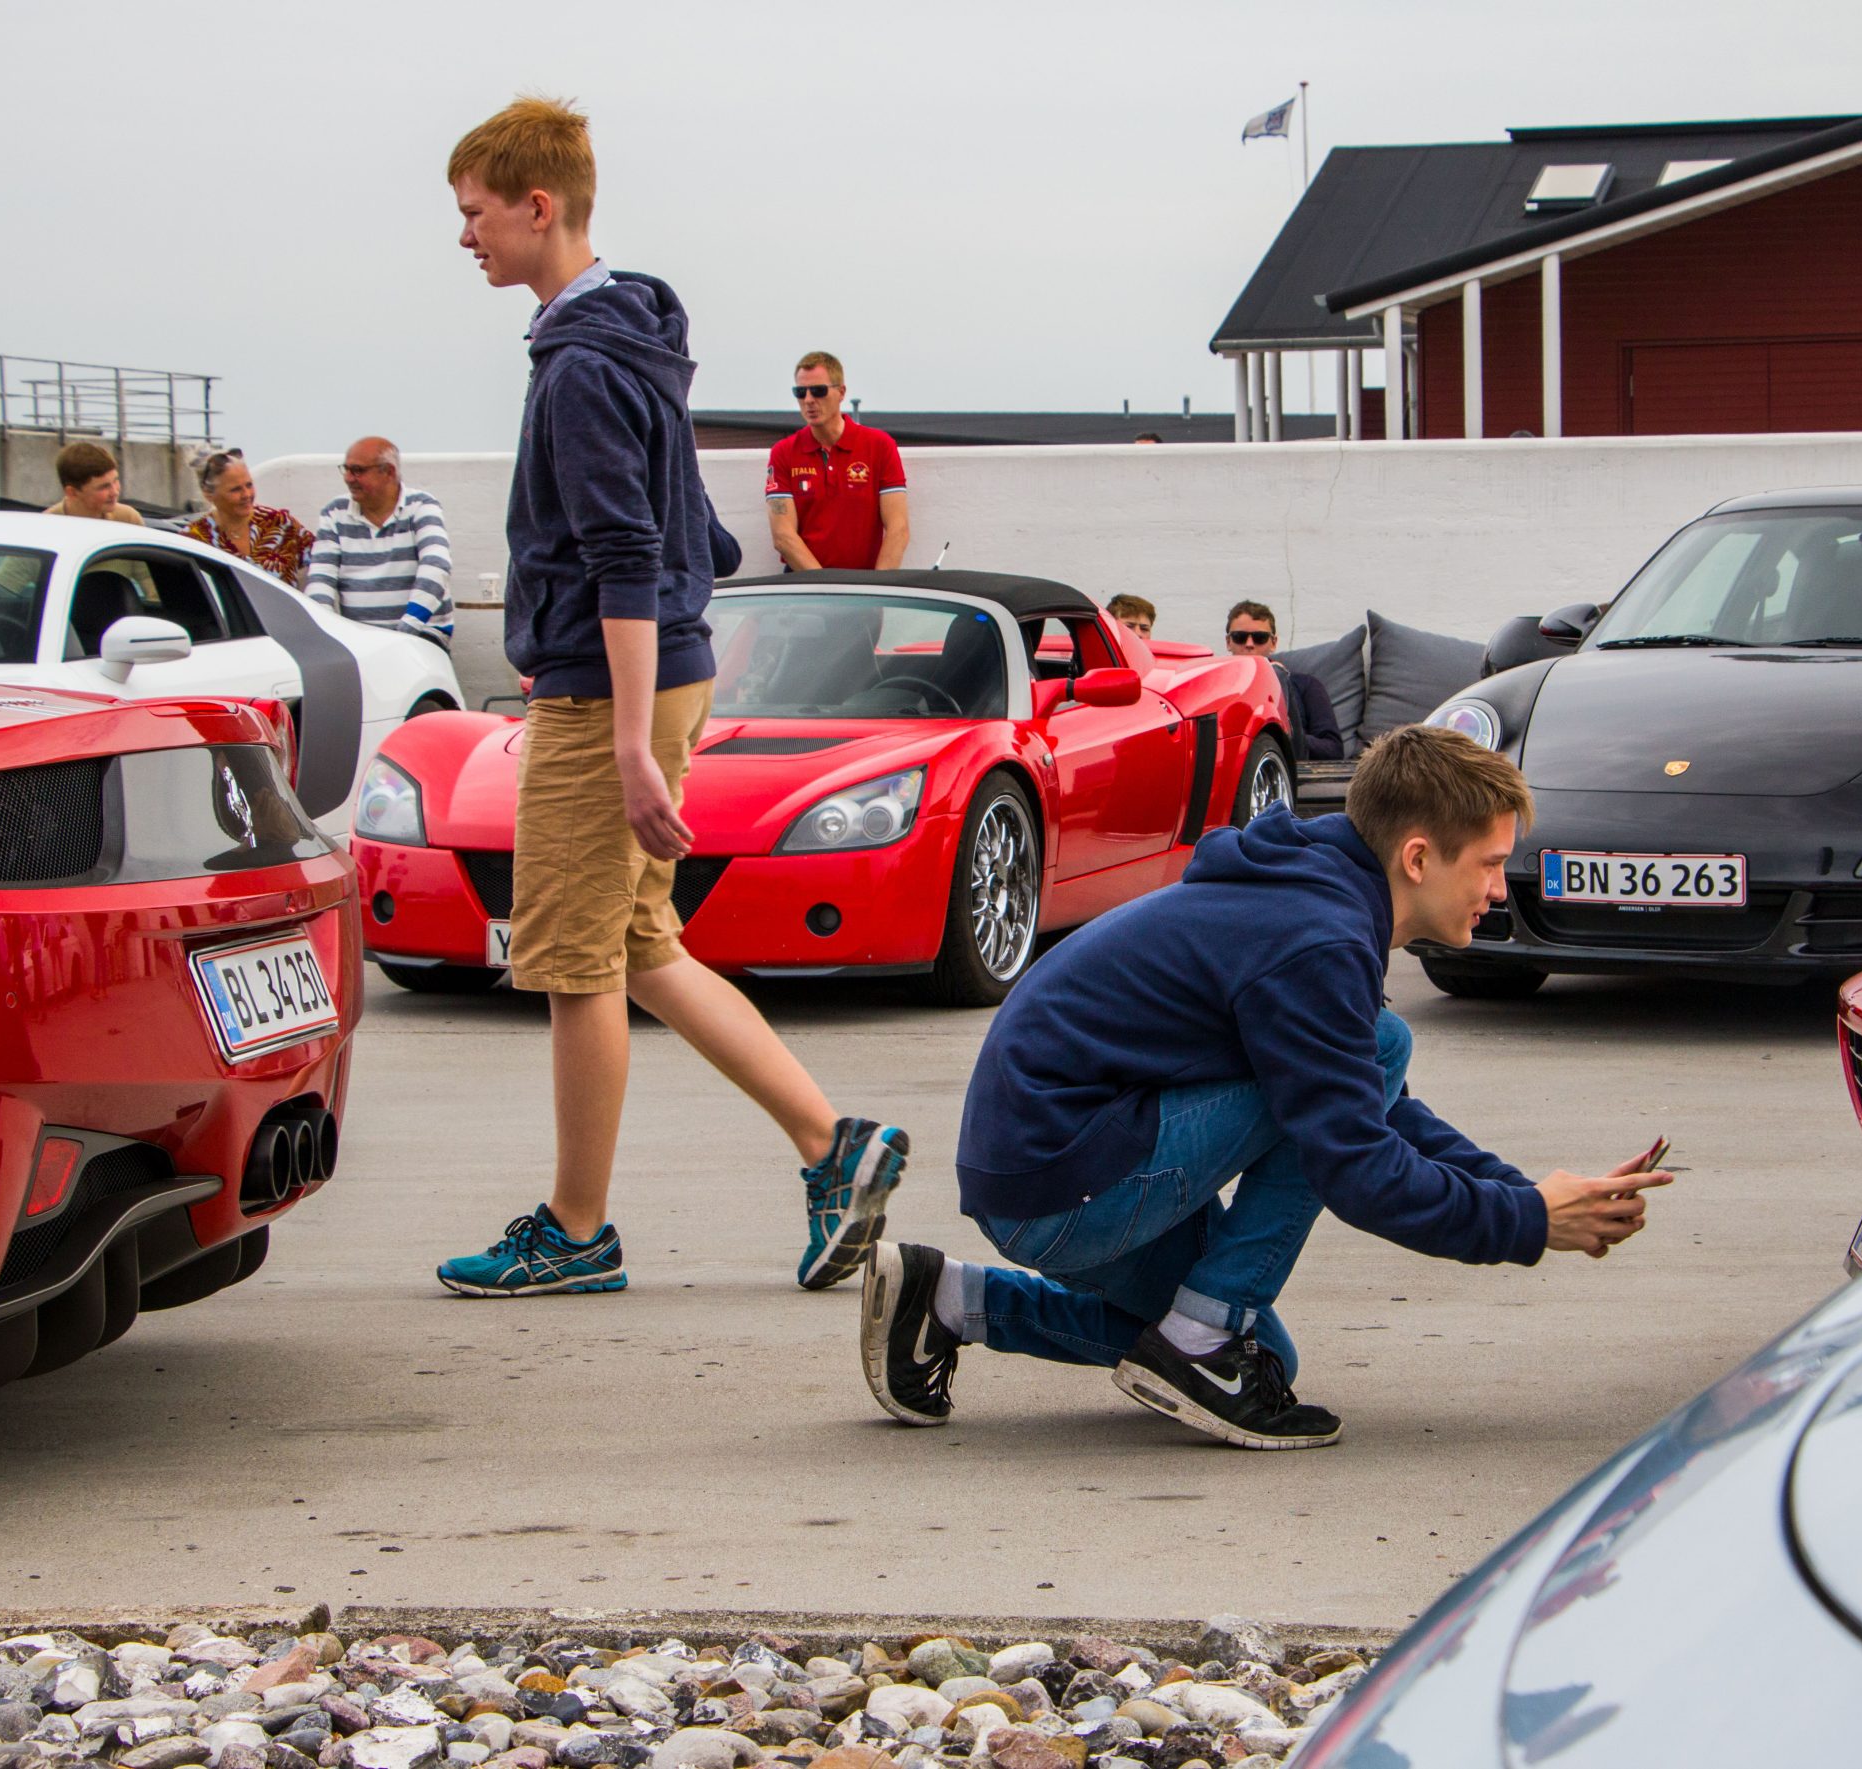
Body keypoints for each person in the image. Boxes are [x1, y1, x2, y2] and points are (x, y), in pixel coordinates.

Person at [861, 726, 1672, 1450]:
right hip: (1065, 1177)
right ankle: (1201, 1341)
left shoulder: (1315, 900)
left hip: (1051, 1166)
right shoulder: (1315, 938)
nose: (1499, 889)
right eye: (1490, 864)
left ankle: (949, 1301)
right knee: (1363, 1072)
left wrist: (1524, 1192)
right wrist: (1526, 1223)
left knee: (1264, 1355)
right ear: (1418, 857)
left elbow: (1376, 1105)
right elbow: (1357, 1162)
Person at [433, 93, 907, 1299]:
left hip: (611, 694)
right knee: (643, 944)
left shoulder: (584, 365)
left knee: (573, 961)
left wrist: (633, 742)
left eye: (476, 213)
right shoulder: (632, 341)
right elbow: (696, 534)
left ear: (540, 208)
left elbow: (628, 551)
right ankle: (831, 1144)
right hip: (657, 673)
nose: (465, 237)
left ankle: (576, 1229)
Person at [303, 438, 456, 645]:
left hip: (421, 635)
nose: (348, 478)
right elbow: (321, 579)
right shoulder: (335, 512)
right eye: (346, 469)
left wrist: (407, 628)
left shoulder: (421, 506)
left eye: (357, 470)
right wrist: (326, 633)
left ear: (389, 472)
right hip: (362, 641)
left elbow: (436, 566)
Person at [765, 353, 909, 571]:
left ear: (841, 392)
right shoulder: (783, 452)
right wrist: (826, 589)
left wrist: (877, 589)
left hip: (865, 586)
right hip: (806, 587)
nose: (809, 400)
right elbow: (783, 536)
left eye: (819, 391)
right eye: (800, 392)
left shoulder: (879, 446)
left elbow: (898, 528)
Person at [1228, 599, 1341, 760]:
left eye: (1260, 637)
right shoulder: (1217, 688)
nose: (1249, 644)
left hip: (1290, 763)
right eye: (1240, 637)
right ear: (1228, 642)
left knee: (1276, 674)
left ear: (1273, 643)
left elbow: (1333, 749)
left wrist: (1288, 737)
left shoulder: (1306, 685)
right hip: (1236, 761)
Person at [184, 449, 313, 589]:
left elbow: (322, 560)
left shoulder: (279, 524)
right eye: (235, 489)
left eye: (249, 485)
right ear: (208, 494)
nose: (247, 494)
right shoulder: (194, 539)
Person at [43, 441, 145, 524]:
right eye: (104, 487)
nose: (115, 492)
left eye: (115, 480)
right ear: (72, 493)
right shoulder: (46, 525)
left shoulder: (128, 519)